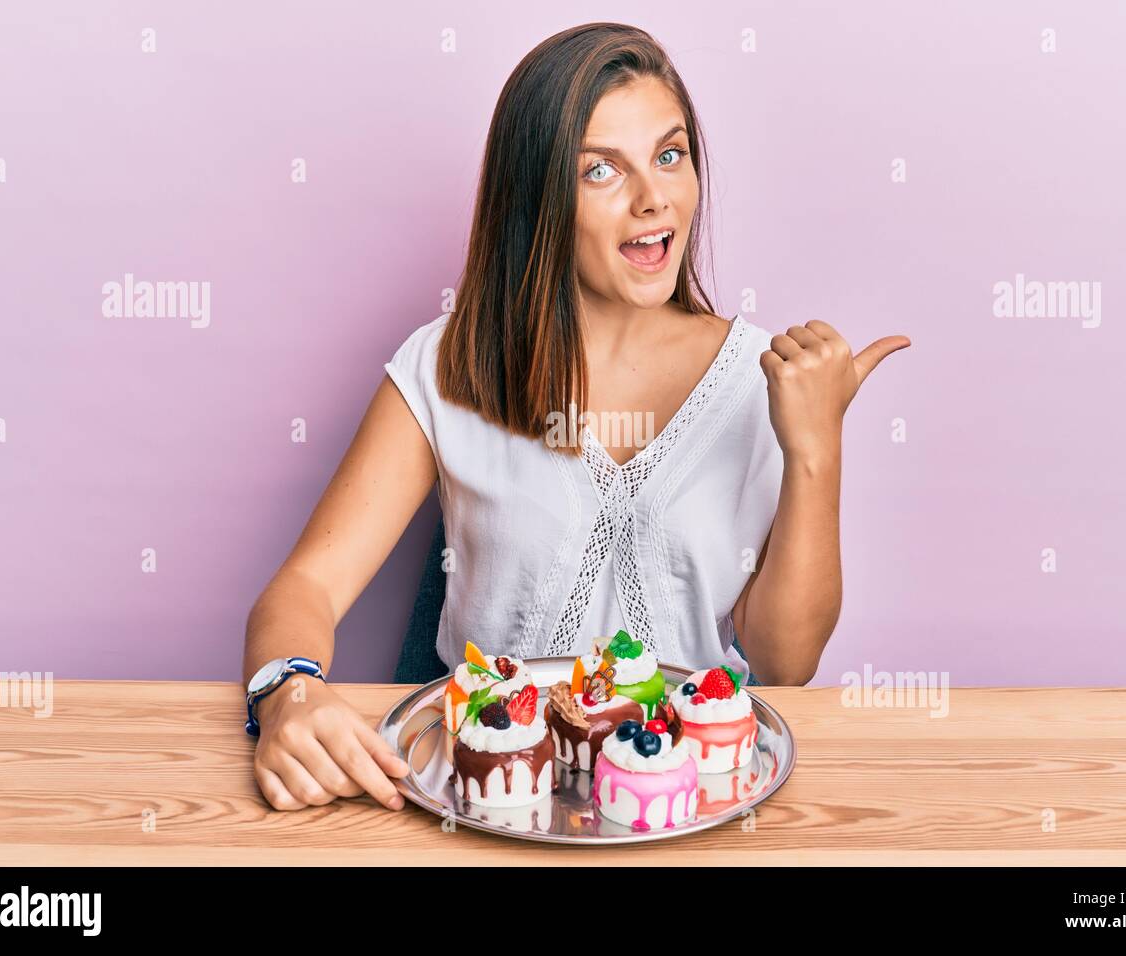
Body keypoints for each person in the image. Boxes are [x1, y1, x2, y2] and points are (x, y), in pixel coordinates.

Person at [242, 22, 909, 812]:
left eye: (670, 155)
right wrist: (287, 694)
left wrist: (815, 449)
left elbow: (786, 661)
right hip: (485, 802)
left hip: (686, 810)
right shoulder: (449, 365)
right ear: (539, 198)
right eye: (602, 171)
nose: (653, 197)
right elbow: (304, 588)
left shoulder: (765, 378)